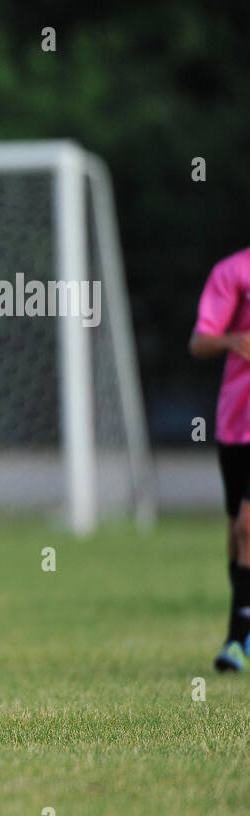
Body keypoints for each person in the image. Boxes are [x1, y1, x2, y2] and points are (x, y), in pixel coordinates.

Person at [190, 245, 250, 672]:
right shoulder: (233, 270)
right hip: (237, 421)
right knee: (235, 529)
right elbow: (199, 341)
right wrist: (232, 339)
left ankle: (236, 640)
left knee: (249, 526)